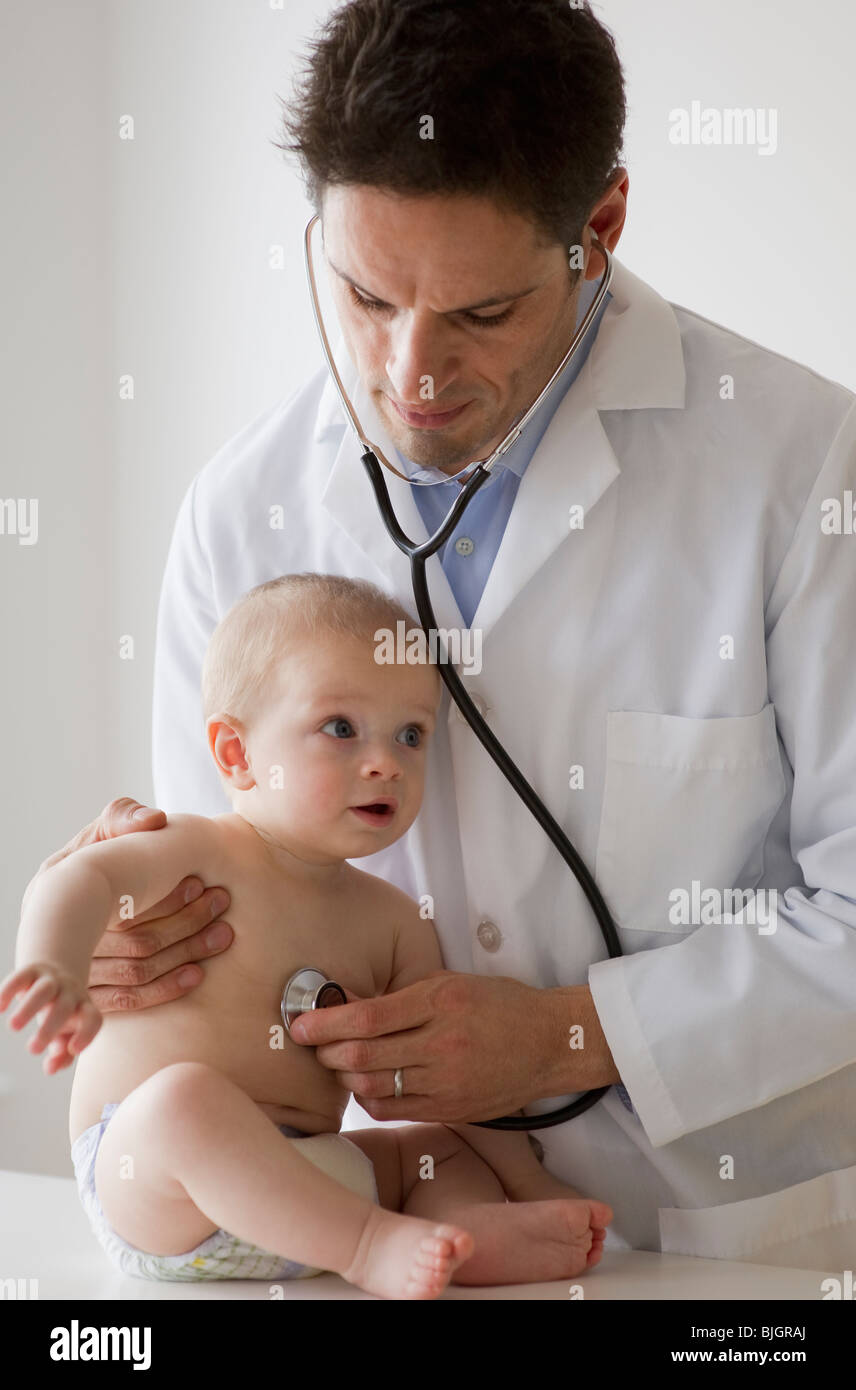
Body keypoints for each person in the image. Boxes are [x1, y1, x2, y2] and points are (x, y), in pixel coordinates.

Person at [25, 0, 856, 1270]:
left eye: (479, 315)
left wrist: (572, 1034)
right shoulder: (241, 512)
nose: (409, 373)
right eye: (363, 293)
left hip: (734, 1242)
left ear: (600, 231)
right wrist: (145, 951)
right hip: (391, 1234)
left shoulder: (799, 467)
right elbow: (238, 891)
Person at [2, 574, 612, 1299]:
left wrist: (529, 1180)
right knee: (183, 1101)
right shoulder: (189, 849)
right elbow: (77, 881)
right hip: (157, 1188)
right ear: (235, 754)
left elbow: (443, 1080)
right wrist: (55, 964)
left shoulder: (389, 918)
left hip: (309, 1184)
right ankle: (370, 1246)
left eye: (411, 734)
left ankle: (463, 1239)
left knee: (436, 1150)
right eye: (342, 728)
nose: (386, 760)